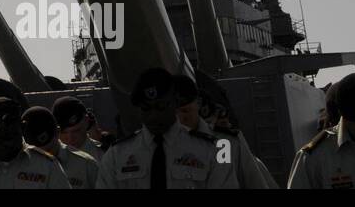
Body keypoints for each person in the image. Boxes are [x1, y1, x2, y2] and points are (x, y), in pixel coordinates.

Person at [96, 68, 236, 189]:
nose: (154, 116)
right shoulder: (116, 156)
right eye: (146, 109)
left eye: (161, 107)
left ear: (175, 103)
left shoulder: (213, 151)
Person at [172, 74, 276, 189]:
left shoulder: (227, 143)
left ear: (198, 105)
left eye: (185, 111)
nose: (180, 119)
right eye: (174, 113)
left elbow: (256, 183)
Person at [21, 106, 96, 189]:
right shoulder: (15, 166)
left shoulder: (86, 166)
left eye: (48, 151)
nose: (42, 158)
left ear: (58, 133)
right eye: (35, 153)